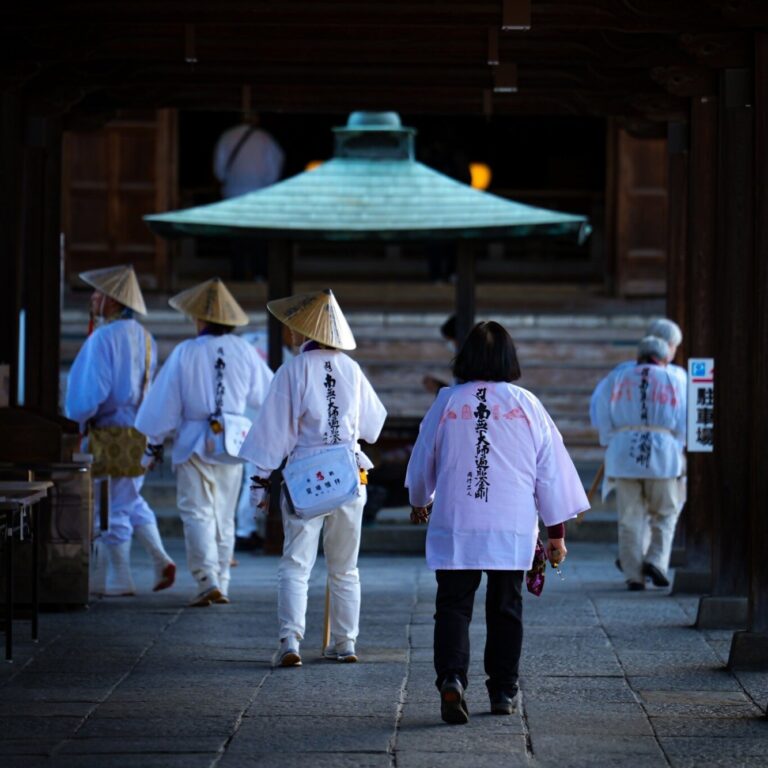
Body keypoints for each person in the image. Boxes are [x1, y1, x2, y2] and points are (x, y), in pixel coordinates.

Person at [405, 321, 589, 725]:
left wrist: (421, 500)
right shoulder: (527, 404)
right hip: (512, 524)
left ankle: (452, 676)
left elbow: (423, 460)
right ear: (510, 359)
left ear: (465, 357)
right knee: (506, 607)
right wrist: (556, 534)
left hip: (457, 522)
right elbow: (550, 473)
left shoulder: (447, 401)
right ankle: (503, 689)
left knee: (453, 605)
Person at [239, 289, 387, 666]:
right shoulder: (351, 369)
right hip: (349, 472)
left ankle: (290, 640)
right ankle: (345, 641)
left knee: (296, 563)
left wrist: (259, 481)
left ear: (301, 332)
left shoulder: (292, 370)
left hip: (305, 474)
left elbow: (274, 433)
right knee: (345, 567)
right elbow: (374, 425)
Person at [135, 278, 274, 606]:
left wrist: (154, 441)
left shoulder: (187, 351)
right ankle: (222, 581)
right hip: (233, 439)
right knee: (224, 514)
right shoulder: (245, 351)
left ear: (199, 318)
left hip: (195, 439)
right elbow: (265, 394)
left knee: (197, 511)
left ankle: (206, 577)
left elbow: (163, 405)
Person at [66, 264, 176, 597]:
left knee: (108, 504)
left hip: (109, 428)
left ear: (112, 300)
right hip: (138, 429)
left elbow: (91, 393)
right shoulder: (144, 336)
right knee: (128, 498)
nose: (93, 298)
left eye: (98, 293)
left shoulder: (103, 337)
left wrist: (78, 417)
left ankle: (121, 577)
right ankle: (158, 558)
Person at [593, 336, 687, 591]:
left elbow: (599, 408)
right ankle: (656, 559)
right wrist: (678, 443)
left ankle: (634, 574)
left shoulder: (618, 377)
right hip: (663, 453)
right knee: (666, 512)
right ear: (665, 357)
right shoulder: (674, 379)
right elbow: (683, 419)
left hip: (624, 452)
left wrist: (610, 438)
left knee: (629, 517)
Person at [213, 116, 284, 280]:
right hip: (259, 194)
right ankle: (259, 273)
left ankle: (237, 274)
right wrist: (266, 184)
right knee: (258, 237)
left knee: (236, 237)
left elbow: (219, 169)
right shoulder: (265, 139)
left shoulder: (227, 137)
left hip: (233, 193)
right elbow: (274, 165)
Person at [589, 317, 686, 426]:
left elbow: (599, 407)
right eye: (673, 346)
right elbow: (685, 415)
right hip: (664, 440)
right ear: (666, 345)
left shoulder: (621, 373)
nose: (675, 351)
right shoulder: (676, 376)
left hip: (625, 439)